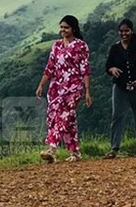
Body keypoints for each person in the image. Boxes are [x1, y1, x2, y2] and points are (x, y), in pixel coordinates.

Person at [35, 15, 93, 163]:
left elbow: (85, 69)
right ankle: (75, 152)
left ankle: (52, 149)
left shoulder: (81, 46)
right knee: (62, 119)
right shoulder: (56, 46)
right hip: (56, 88)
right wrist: (41, 84)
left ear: (73, 28)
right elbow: (50, 67)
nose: (63, 30)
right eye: (61, 27)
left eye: (66, 27)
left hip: (74, 88)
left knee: (63, 117)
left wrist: (87, 91)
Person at [103, 18, 136, 158]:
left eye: (126, 31)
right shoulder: (115, 48)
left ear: (132, 31)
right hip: (120, 86)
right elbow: (108, 66)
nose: (124, 34)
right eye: (121, 31)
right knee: (117, 116)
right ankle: (114, 148)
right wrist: (112, 69)